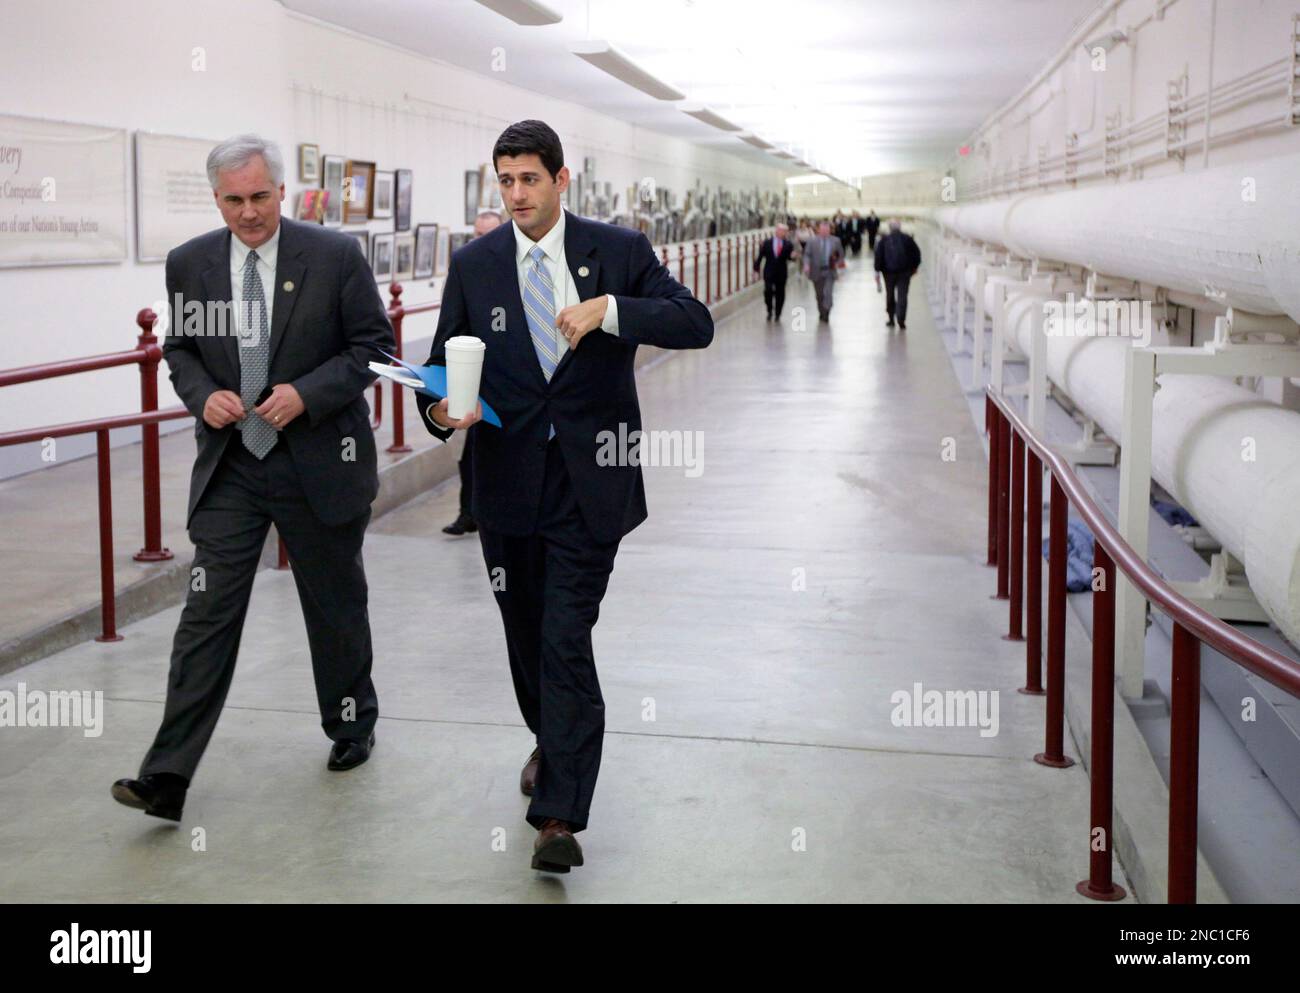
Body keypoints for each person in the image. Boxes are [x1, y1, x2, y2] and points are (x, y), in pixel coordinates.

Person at [415, 120, 713, 873]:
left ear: (560, 180)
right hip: (505, 483)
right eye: (505, 181)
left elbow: (694, 322)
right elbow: (440, 364)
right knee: (523, 634)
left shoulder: (619, 252)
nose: (517, 194)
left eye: (530, 180)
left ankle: (559, 815)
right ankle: (552, 743)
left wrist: (609, 310)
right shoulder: (476, 265)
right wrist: (441, 408)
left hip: (591, 483)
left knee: (562, 635)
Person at [111, 135, 394, 822]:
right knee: (206, 614)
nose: (248, 213)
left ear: (283, 192)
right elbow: (177, 346)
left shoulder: (333, 257)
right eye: (233, 200)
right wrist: (201, 392)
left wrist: (307, 394)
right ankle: (167, 774)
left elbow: (373, 348)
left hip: (319, 462)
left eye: (259, 197)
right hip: (234, 465)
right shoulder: (191, 264)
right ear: (216, 198)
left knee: (334, 604)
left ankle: (350, 724)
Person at [442, 209, 503, 536]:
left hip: (502, 379)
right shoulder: (468, 269)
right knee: (470, 456)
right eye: (476, 234)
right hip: (473, 377)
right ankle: (469, 513)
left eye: (487, 234)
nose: (480, 240)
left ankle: (479, 512)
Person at [874, 219, 922, 330]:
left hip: (888, 274)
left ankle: (891, 318)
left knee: (890, 295)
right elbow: (917, 254)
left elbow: (878, 256)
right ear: (900, 227)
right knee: (902, 296)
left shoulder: (884, 240)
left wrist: (877, 270)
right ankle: (901, 319)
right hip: (904, 273)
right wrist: (913, 269)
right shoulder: (907, 239)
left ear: (889, 228)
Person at [803, 219, 845, 322]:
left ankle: (827, 311)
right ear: (819, 230)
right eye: (823, 230)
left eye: (827, 229)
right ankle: (821, 312)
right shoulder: (812, 241)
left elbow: (841, 255)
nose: (825, 231)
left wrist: (838, 263)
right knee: (820, 295)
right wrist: (806, 264)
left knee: (828, 293)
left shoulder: (836, 241)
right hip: (816, 271)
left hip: (830, 271)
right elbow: (807, 254)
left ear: (830, 230)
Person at [753, 222, 795, 321]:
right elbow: (760, 257)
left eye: (784, 231)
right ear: (776, 231)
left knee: (780, 293)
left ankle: (778, 312)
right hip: (769, 272)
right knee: (768, 290)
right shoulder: (767, 243)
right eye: (780, 230)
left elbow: (790, 257)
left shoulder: (788, 244)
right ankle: (769, 310)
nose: (782, 232)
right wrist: (756, 270)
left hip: (781, 273)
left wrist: (793, 257)